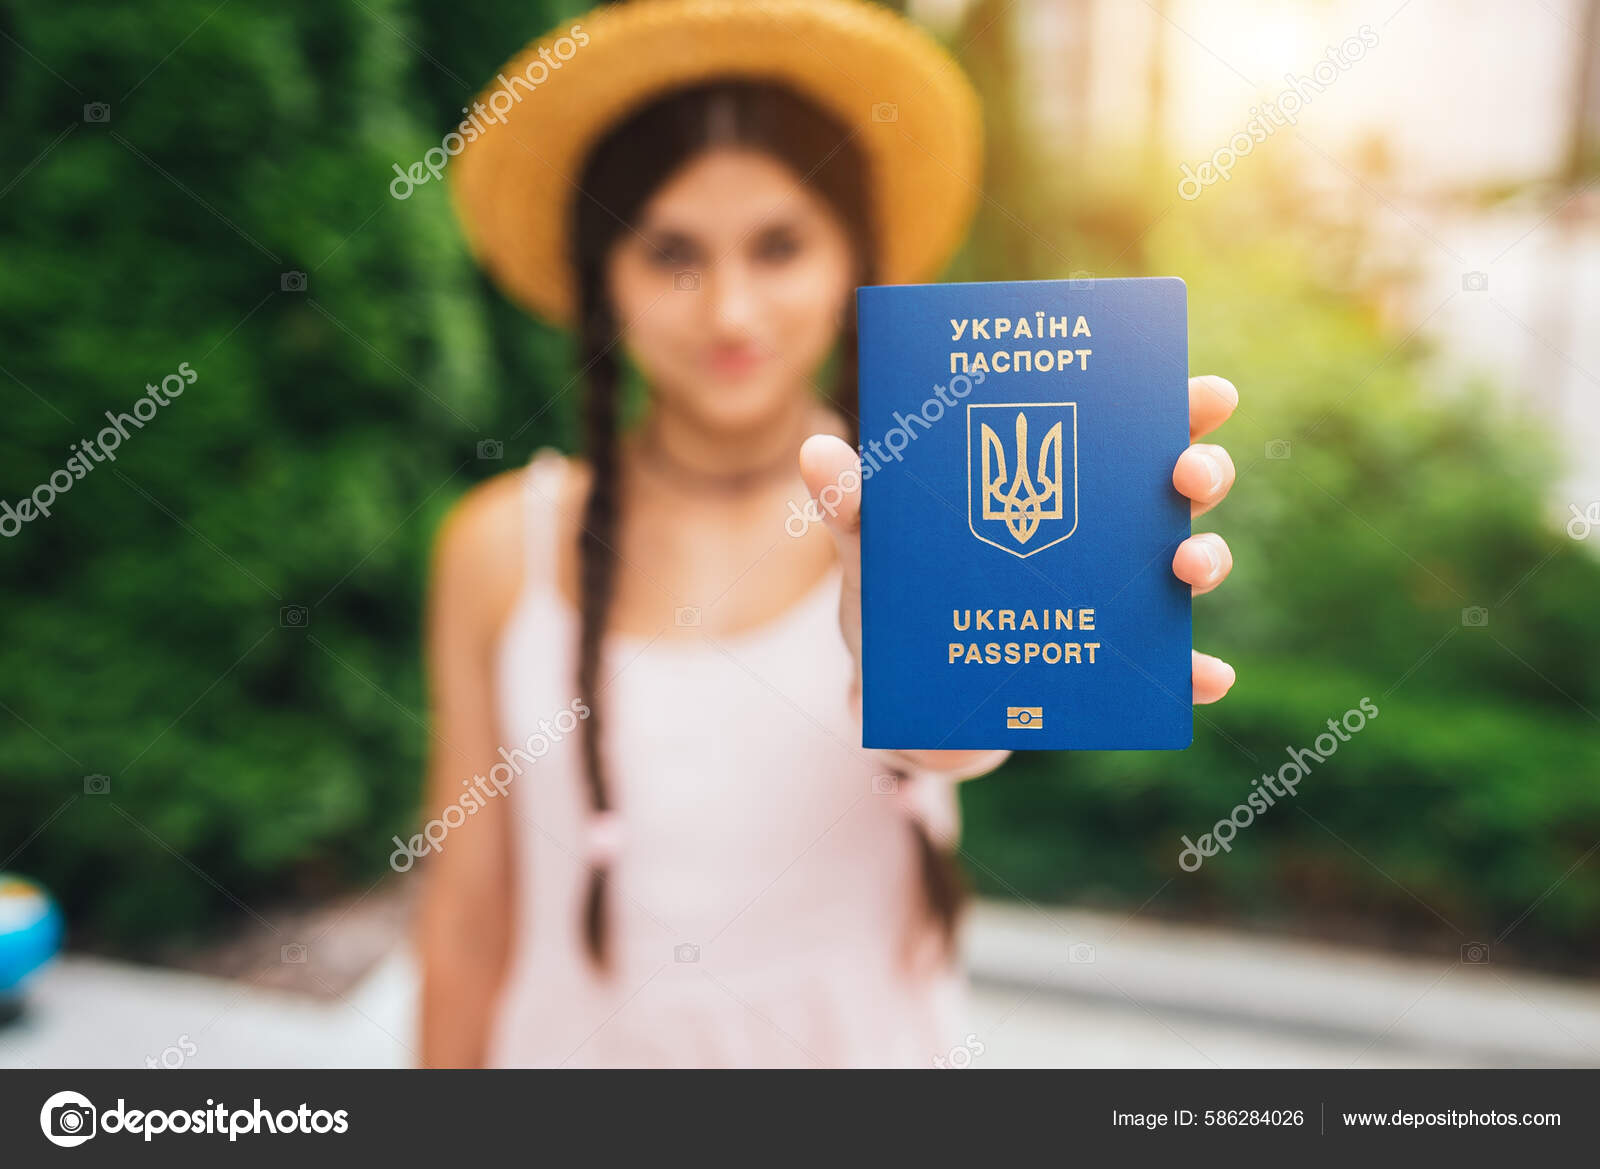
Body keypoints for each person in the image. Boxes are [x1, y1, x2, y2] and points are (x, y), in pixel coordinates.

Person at [416, 0, 1238, 1068]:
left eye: (780, 246)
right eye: (671, 252)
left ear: (853, 261)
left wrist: (985, 654)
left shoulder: (930, 493)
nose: (730, 311)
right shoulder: (498, 545)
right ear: (602, 275)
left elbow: (951, 741)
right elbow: (466, 916)